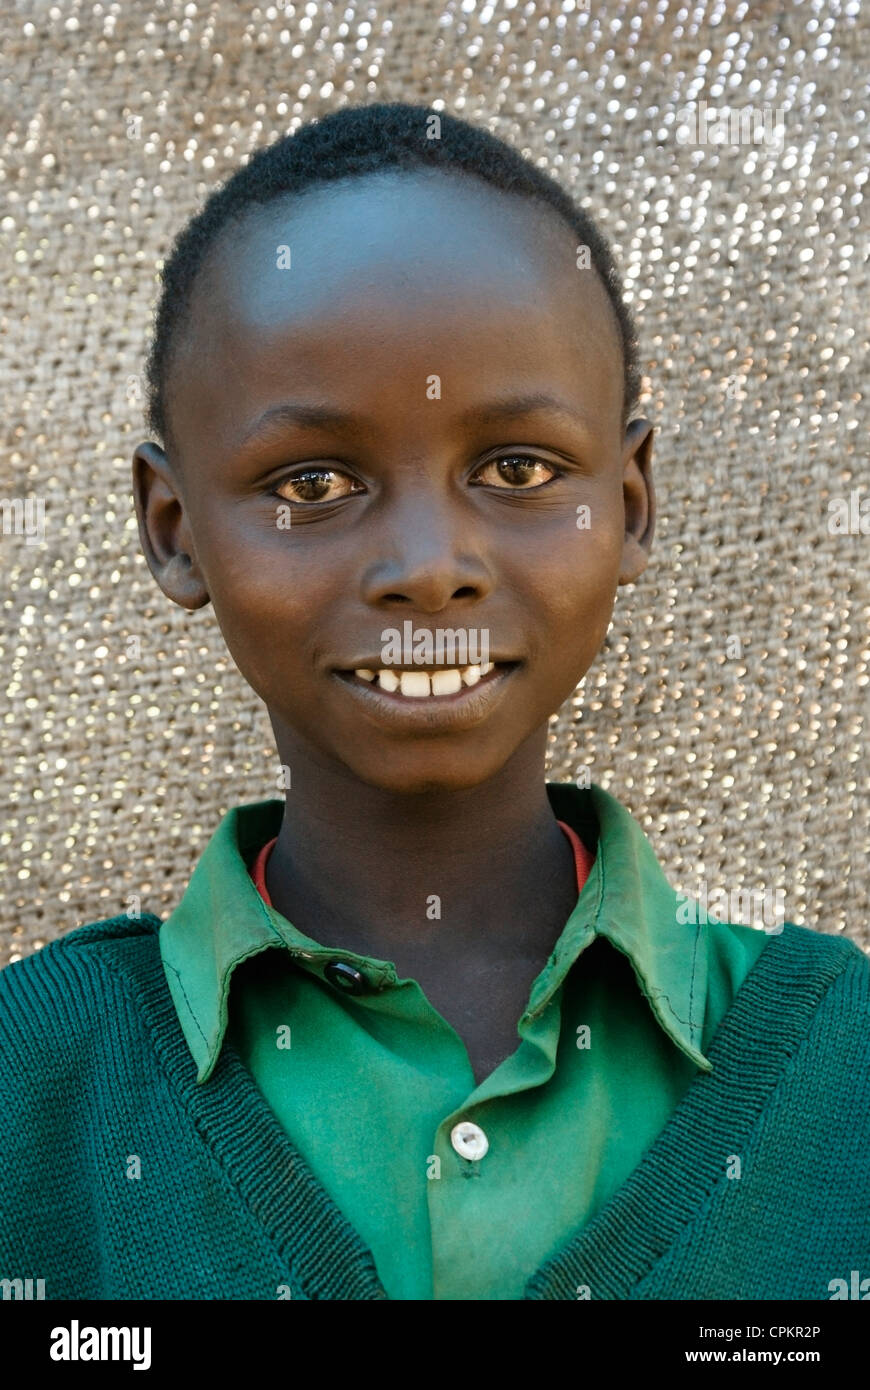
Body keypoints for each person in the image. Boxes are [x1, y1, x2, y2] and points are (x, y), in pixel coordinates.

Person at [1, 103, 867, 1301]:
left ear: (631, 503)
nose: (428, 561)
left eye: (517, 468)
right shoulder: (33, 1084)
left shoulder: (844, 1072)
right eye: (312, 481)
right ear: (173, 529)